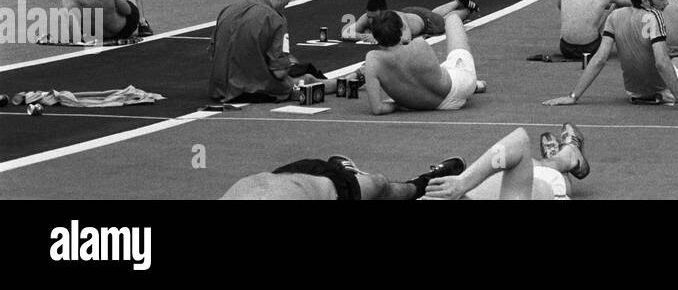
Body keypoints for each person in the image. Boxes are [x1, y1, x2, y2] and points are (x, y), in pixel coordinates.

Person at [544, 0, 678, 110]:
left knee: (676, 62)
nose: (666, 3)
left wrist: (573, 96)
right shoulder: (654, 16)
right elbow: (661, 63)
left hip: (634, 93)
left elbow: (599, 59)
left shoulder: (614, 16)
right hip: (662, 92)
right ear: (646, 1)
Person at [420, 126, 591, 200]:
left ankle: (562, 157)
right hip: (548, 187)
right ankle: (567, 156)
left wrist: (462, 182)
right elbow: (519, 141)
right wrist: (463, 182)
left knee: (528, 163)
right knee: (551, 175)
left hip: (502, 175)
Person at [364, 4, 478, 112]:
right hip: (461, 86)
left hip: (431, 103)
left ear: (374, 36)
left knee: (439, 72)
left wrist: (398, 105)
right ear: (401, 29)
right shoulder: (419, 44)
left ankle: (476, 86)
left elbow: (377, 108)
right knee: (452, 19)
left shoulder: (372, 60)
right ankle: (467, 9)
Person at [209, 0, 299, 103]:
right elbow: (279, 72)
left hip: (219, 87)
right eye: (286, 3)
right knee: (307, 79)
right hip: (250, 89)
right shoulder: (276, 19)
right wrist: (288, 62)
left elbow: (213, 53)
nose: (284, 8)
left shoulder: (227, 10)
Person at [222, 154, 470, 201]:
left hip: (289, 173)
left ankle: (347, 170)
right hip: (334, 190)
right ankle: (425, 183)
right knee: (381, 185)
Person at [343, 0, 478, 44]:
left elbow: (406, 38)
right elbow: (345, 33)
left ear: (384, 13)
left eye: (374, 18)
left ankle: (466, 9)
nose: (371, 21)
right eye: (369, 17)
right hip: (411, 12)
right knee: (434, 13)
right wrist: (362, 36)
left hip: (426, 22)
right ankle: (458, 0)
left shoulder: (398, 18)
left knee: (447, 21)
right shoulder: (367, 17)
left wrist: (377, 38)